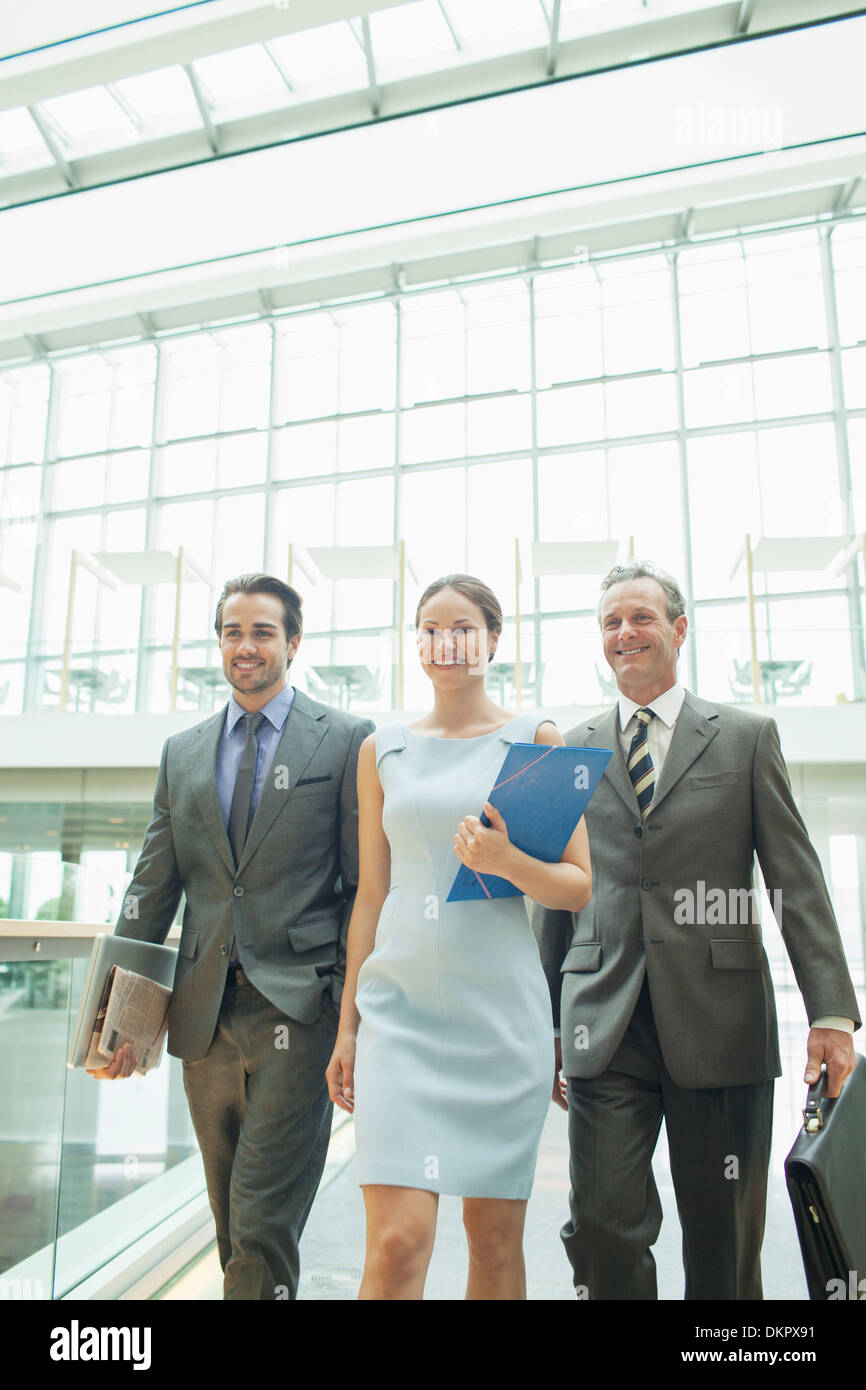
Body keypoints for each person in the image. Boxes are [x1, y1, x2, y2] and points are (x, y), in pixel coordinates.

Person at [533, 559, 860, 1301]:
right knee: (604, 1227)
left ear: (679, 630)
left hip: (721, 1024)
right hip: (602, 1020)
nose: (625, 632)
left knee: (723, 1239)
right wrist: (543, 1023)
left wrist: (831, 1013)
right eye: (611, 621)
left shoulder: (745, 738)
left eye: (641, 617)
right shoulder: (569, 748)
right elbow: (551, 896)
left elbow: (795, 881)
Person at [89, 572, 374, 1300]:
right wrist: (110, 1023)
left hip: (298, 1012)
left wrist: (344, 1009)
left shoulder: (344, 741)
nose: (245, 647)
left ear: (294, 642)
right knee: (229, 1220)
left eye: (262, 632)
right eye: (231, 632)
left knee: (260, 1222)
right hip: (203, 1018)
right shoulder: (182, 752)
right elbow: (150, 894)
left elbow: (361, 887)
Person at [326, 574, 592, 1300]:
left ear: (494, 640)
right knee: (397, 1241)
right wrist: (347, 1027)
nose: (447, 641)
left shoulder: (535, 739)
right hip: (399, 1021)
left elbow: (577, 884)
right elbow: (372, 897)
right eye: (431, 627)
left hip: (499, 1023)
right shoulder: (384, 748)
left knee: (495, 1243)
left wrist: (506, 861)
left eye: (464, 626)